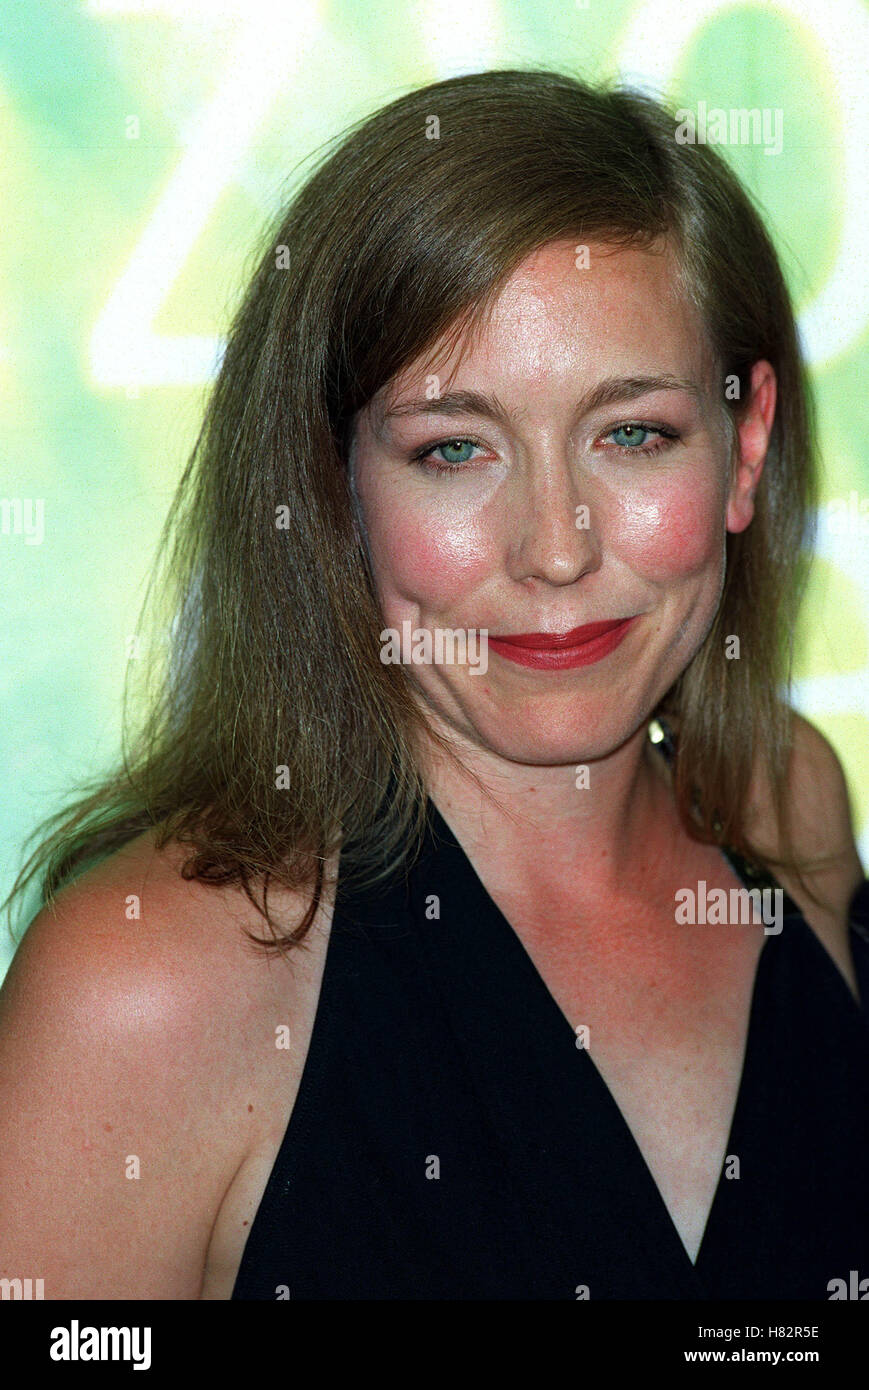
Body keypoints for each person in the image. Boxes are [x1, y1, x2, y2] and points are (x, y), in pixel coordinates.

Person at [1, 67, 866, 1302]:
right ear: (334, 494)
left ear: (745, 447)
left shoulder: (785, 809)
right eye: (453, 449)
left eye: (632, 433)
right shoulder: (150, 988)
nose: (555, 547)